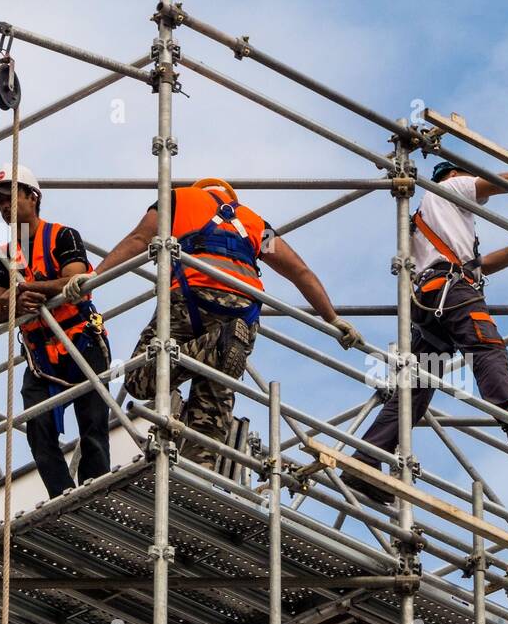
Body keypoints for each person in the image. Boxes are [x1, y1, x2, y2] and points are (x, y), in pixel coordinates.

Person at [341, 159, 508, 507]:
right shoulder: (448, 189)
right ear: (455, 176)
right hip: (452, 292)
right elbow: (500, 183)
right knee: (486, 344)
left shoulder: (440, 219)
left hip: (431, 302)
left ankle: (365, 458)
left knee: (416, 390)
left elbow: (481, 266)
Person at [77, 178, 359, 471]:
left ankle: (220, 344)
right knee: (212, 406)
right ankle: (199, 472)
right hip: (244, 314)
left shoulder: (179, 199)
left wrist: (95, 277)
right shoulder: (253, 222)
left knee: (138, 378)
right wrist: (333, 319)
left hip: (191, 298)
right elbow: (299, 271)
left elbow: (139, 239)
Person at [0, 164, 111, 499]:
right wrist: (17, 298)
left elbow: (77, 281)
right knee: (39, 431)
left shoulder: (62, 235)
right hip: (40, 355)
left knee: (93, 426)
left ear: (33, 196)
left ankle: (95, 495)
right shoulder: (5, 256)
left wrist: (34, 288)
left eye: (10, 197)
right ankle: (63, 497)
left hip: (80, 341)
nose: (4, 206)